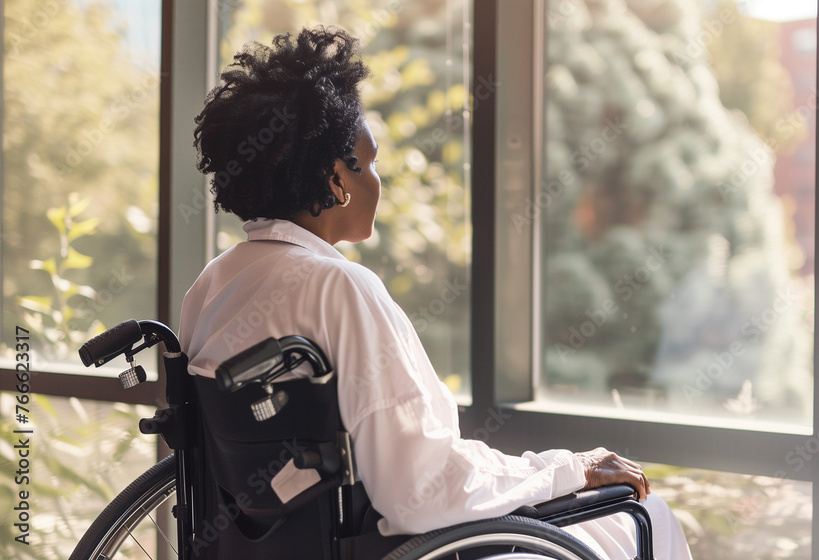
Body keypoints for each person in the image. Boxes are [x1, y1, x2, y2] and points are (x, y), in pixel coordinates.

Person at [182, 26, 693, 560]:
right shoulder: (338, 288)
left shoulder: (213, 284)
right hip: (401, 545)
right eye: (371, 161)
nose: (379, 179)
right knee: (644, 517)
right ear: (337, 179)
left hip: (279, 544)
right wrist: (567, 469)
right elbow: (419, 491)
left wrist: (550, 468)